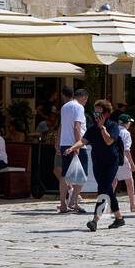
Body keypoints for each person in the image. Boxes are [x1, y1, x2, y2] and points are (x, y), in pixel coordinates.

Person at [78, 99, 124, 232]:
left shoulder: (112, 126)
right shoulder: (92, 129)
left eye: (99, 113)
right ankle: (119, 218)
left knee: (103, 190)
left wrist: (102, 128)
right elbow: (83, 140)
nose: (96, 116)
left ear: (107, 114)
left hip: (111, 163)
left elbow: (109, 141)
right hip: (98, 163)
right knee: (108, 190)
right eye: (95, 113)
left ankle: (94, 220)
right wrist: (72, 147)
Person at [58, 86, 88, 215]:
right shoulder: (79, 107)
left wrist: (58, 144)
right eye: (86, 99)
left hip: (65, 144)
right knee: (83, 175)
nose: (86, 102)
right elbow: (77, 127)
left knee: (65, 175)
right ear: (83, 97)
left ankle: (63, 204)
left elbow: (62, 126)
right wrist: (77, 146)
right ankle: (73, 201)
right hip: (76, 144)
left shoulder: (64, 107)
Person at [114, 112, 135, 212]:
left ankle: (111, 205)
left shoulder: (113, 130)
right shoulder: (126, 133)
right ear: (126, 123)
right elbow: (126, 150)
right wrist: (132, 163)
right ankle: (132, 204)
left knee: (113, 182)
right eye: (129, 123)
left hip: (112, 158)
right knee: (129, 182)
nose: (130, 124)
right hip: (122, 159)